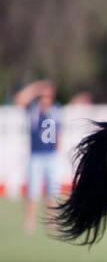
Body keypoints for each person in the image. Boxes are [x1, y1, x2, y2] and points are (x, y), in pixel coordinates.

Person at [14, 79, 61, 234]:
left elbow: (59, 133)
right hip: (35, 156)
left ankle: (51, 221)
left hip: (51, 156)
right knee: (32, 191)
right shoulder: (34, 109)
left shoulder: (55, 110)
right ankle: (29, 221)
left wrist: (58, 150)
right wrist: (36, 88)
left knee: (52, 191)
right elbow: (19, 98)